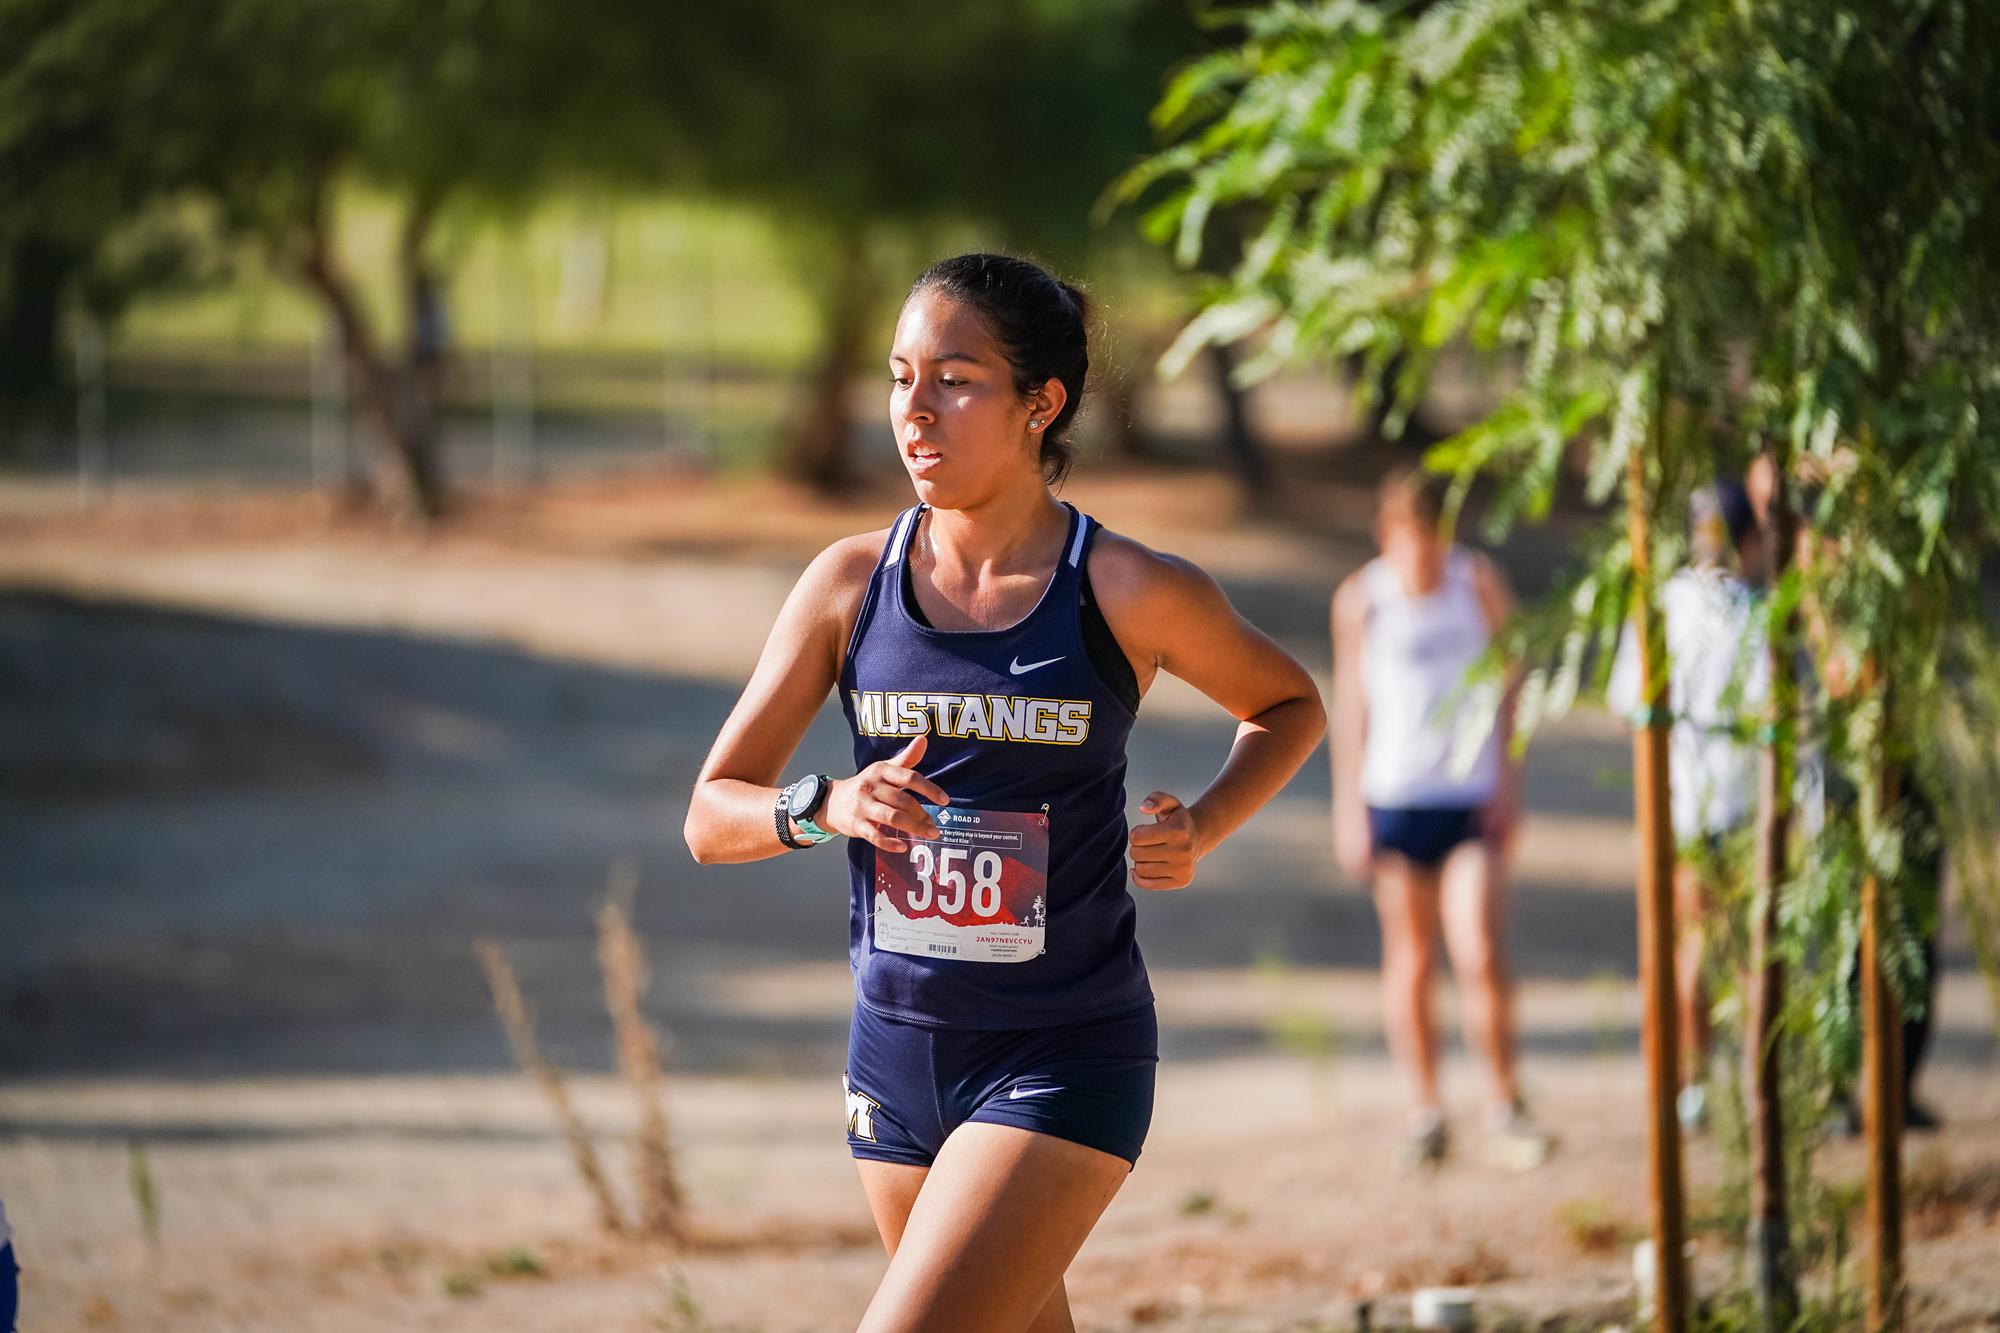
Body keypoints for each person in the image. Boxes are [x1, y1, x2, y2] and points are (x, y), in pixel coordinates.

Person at [684, 253, 1325, 1332]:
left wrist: (1207, 820)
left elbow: (1290, 705)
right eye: (899, 377)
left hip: (1062, 1054)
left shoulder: (1124, 587)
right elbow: (710, 813)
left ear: (1042, 403)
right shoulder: (848, 585)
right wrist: (826, 804)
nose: (914, 412)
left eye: (956, 379)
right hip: (894, 1051)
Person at [1330, 468, 1546, 1171]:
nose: (1424, 555)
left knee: (1479, 947)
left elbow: (1511, 686)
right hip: (1394, 794)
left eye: (1435, 539)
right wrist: (1348, 807)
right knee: (1413, 958)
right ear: (1386, 535)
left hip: (1469, 795)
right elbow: (1352, 706)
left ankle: (1504, 1103)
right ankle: (1426, 1112)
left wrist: (1509, 782)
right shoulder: (1363, 599)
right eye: (1411, 540)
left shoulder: (1475, 583)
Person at [1607, 480, 1769, 1134]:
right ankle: (1717, 1080)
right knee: (1735, 947)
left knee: (1702, 948)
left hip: (1697, 802)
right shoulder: (1747, 610)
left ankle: (1697, 1080)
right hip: (1731, 803)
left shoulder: (1666, 604)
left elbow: (1628, 706)